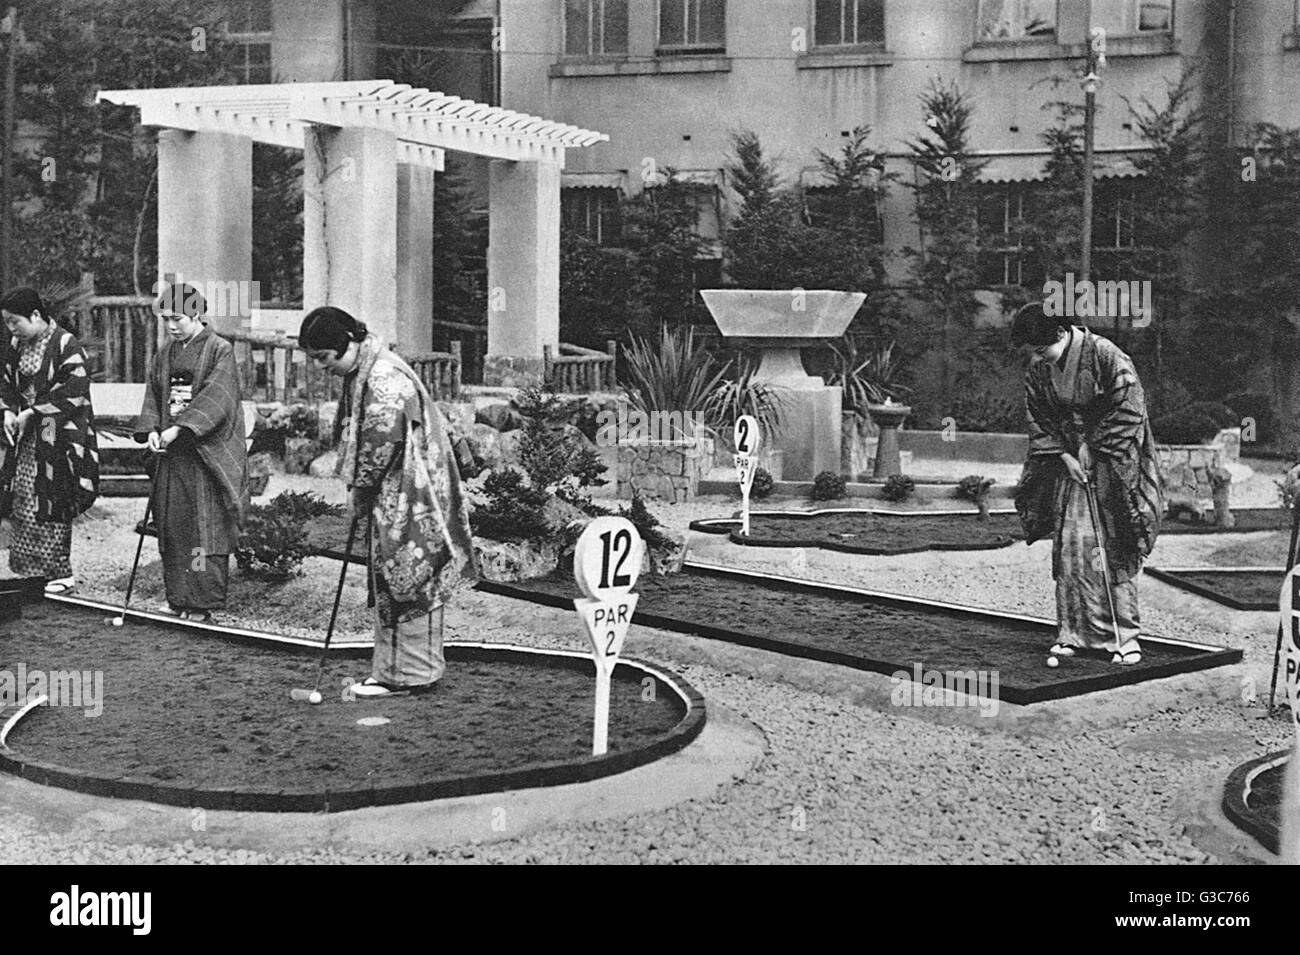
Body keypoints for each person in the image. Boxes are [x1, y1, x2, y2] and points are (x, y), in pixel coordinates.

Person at [298, 306, 478, 697]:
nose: (322, 368)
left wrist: (360, 489)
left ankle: (404, 674)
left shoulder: (382, 378)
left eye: (324, 358)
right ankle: (411, 669)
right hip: (405, 485)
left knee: (407, 568)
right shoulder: (374, 366)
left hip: (409, 490)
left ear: (346, 343)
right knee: (405, 569)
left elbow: (381, 442)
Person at [1012, 302, 1164, 665]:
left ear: (1062, 334)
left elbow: (1131, 407)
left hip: (1112, 467)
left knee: (1112, 547)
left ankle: (1123, 637)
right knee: (1071, 551)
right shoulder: (1041, 367)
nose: (1039, 358)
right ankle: (1073, 633)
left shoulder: (1106, 355)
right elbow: (1038, 416)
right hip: (1069, 466)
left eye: (1042, 349)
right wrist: (1064, 455)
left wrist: (1094, 449)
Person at [134, 284, 248, 622]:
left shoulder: (219, 350)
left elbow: (219, 397)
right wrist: (153, 430)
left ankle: (202, 602)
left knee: (204, 527)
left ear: (197, 314)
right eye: (166, 319)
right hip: (172, 452)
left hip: (203, 450)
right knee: (172, 524)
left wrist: (180, 428)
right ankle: (177, 597)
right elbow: (154, 395)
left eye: (178, 318)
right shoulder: (165, 353)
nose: (171, 326)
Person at [0, 286, 99, 594]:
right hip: (26, 433)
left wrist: (36, 411)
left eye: (15, 321)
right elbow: (5, 383)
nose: (11, 328)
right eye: (7, 323)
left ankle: (60, 571)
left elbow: (76, 386)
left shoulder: (65, 343)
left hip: (55, 431)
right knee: (25, 495)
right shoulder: (17, 344)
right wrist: (6, 412)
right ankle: (30, 572)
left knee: (52, 493)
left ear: (35, 315)